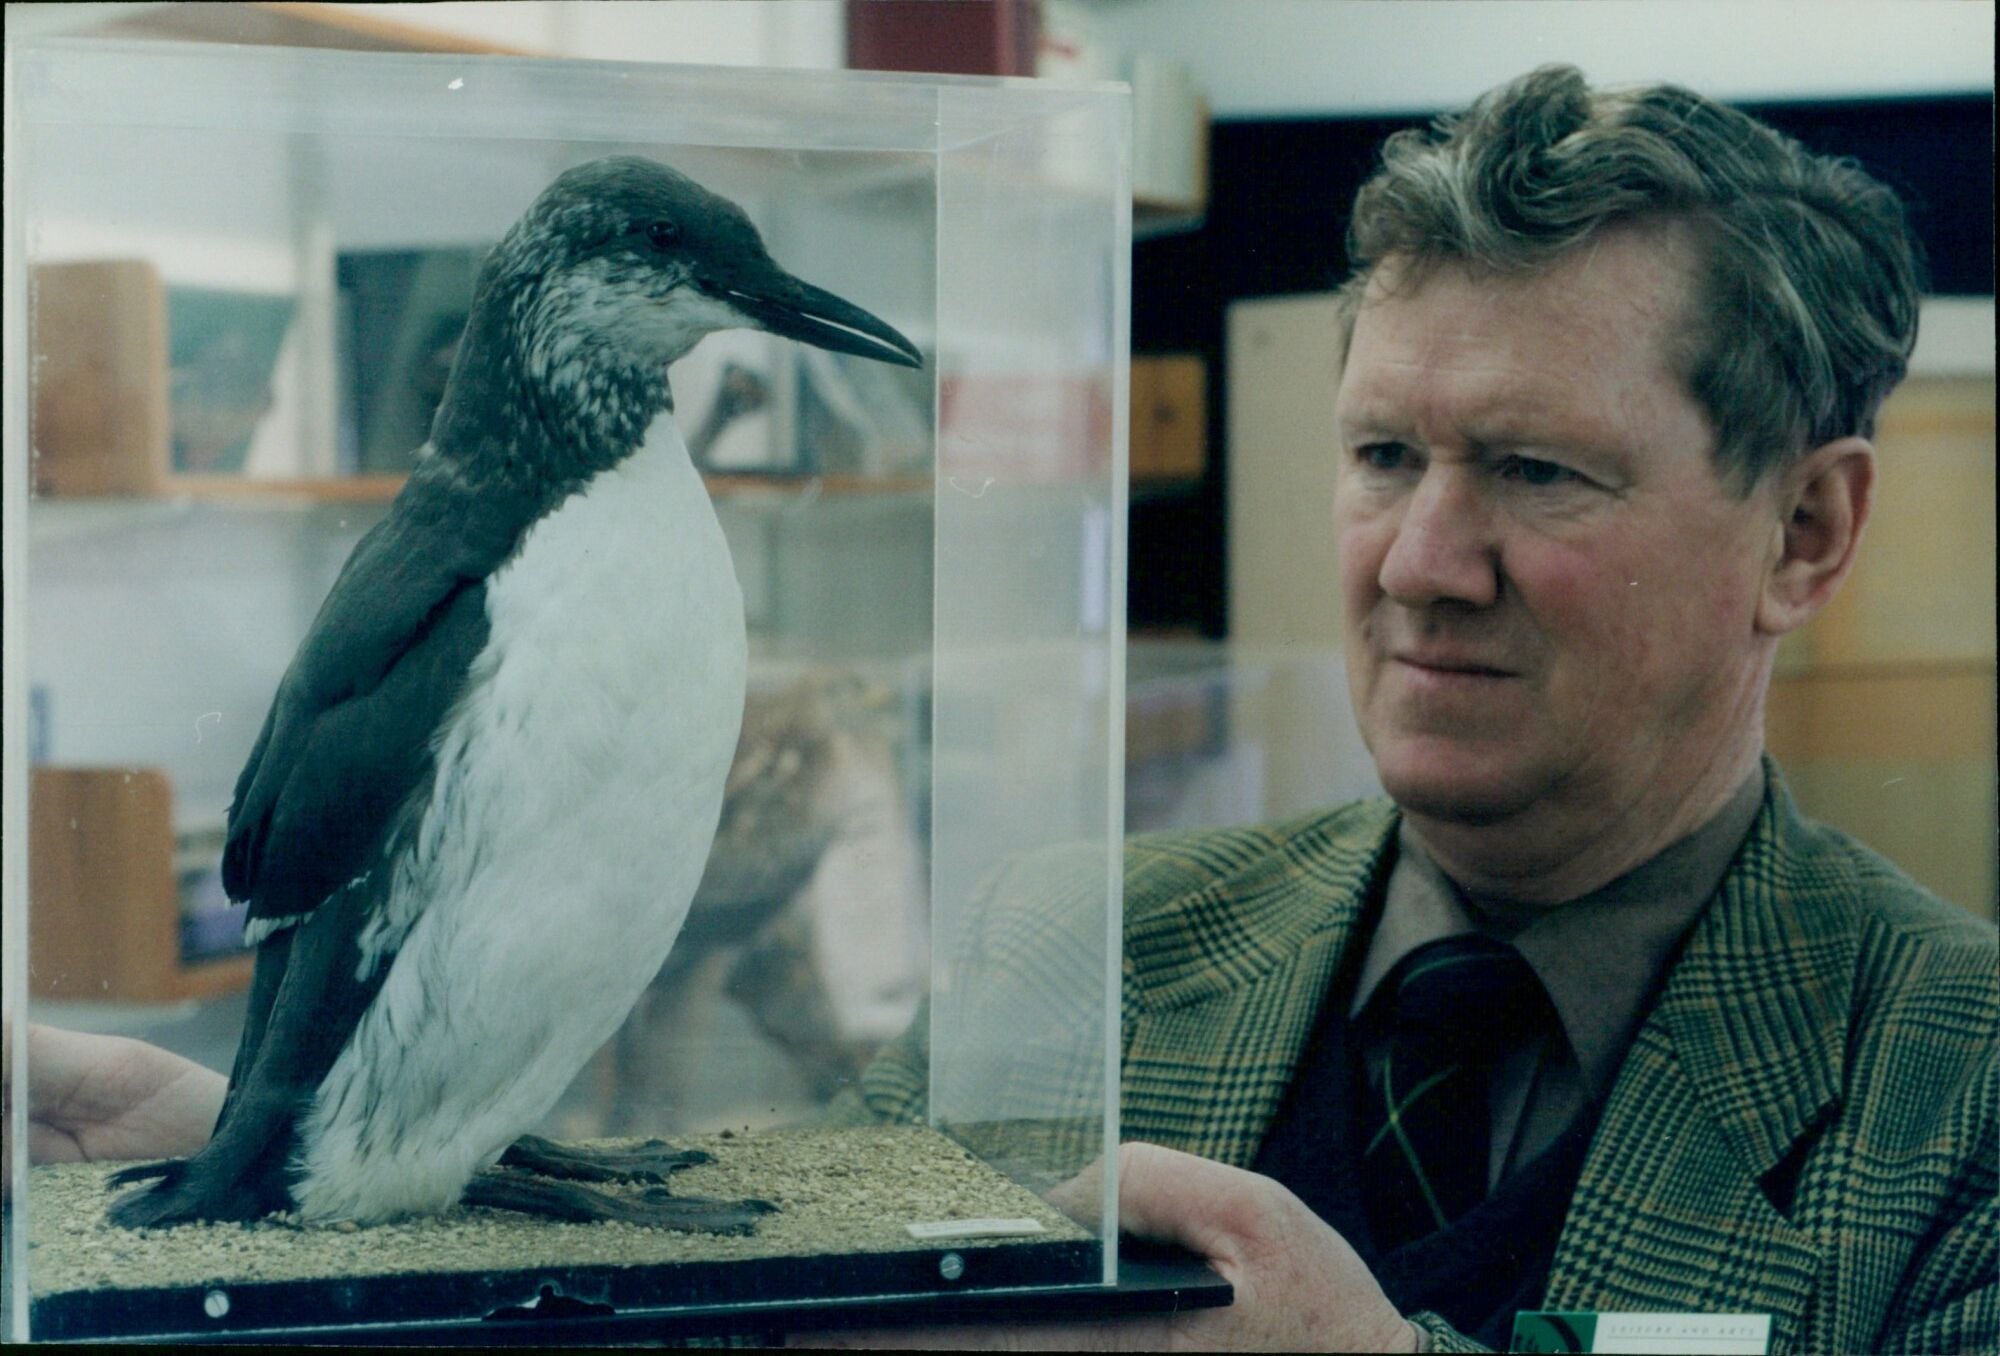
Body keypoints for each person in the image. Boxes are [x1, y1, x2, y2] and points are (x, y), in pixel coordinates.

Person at [7, 66, 1993, 1353]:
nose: (1416, 560)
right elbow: (778, 1317)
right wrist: (325, 1167)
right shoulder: (1085, 950)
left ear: (1802, 531)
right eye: (1383, 454)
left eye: (1536, 474)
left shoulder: (1959, 1102)